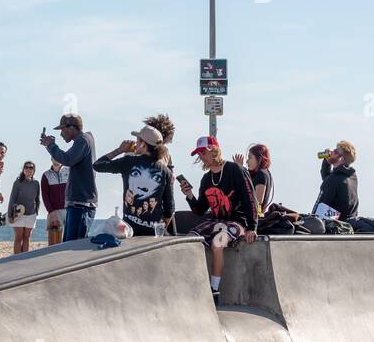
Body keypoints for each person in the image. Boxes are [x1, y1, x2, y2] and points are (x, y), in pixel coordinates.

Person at [177, 135, 258, 306]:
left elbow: (250, 198)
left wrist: (252, 227)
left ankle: (214, 290)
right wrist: (189, 195)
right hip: (216, 221)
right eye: (199, 154)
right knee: (189, 239)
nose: (201, 157)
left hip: (237, 222)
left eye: (203, 153)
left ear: (214, 151)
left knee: (217, 243)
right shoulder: (206, 180)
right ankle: (191, 285)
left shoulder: (235, 170)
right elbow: (199, 210)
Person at [93, 125, 176, 236]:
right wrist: (161, 229)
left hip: (129, 232)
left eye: (138, 140)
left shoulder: (129, 162)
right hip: (152, 235)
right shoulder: (166, 172)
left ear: (143, 144)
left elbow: (98, 165)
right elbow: (169, 207)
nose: (135, 143)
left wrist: (120, 150)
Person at [42, 114, 98, 243]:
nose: (61, 134)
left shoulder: (83, 140)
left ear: (71, 128)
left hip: (81, 203)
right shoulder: (84, 139)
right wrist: (50, 146)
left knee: (71, 248)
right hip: (80, 203)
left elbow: (67, 159)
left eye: (62, 129)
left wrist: (51, 146)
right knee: (69, 246)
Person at [314, 141, 358, 220]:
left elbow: (319, 211)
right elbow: (329, 179)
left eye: (335, 152)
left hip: (336, 224)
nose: (331, 152)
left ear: (341, 159)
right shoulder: (352, 177)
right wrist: (326, 162)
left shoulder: (333, 180)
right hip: (347, 222)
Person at [8, 162, 41, 254]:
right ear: (23, 169)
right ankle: (16, 259)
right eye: (26, 167)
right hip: (18, 214)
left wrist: (36, 211)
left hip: (31, 215)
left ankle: (24, 260)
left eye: (31, 168)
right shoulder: (18, 182)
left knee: (26, 238)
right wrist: (10, 215)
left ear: (34, 171)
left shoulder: (36, 183)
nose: (28, 169)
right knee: (18, 237)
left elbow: (37, 198)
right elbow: (12, 199)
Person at [234, 143, 273, 215]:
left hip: (253, 217)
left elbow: (258, 200)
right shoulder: (263, 173)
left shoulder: (261, 174)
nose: (247, 161)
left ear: (259, 158)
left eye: (250, 157)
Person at [41, 158, 69, 247]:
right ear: (51, 159)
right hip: (54, 212)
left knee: (71, 240)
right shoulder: (46, 175)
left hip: (70, 209)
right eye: (54, 157)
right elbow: (45, 196)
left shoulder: (70, 171)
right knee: (54, 243)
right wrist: (51, 212)